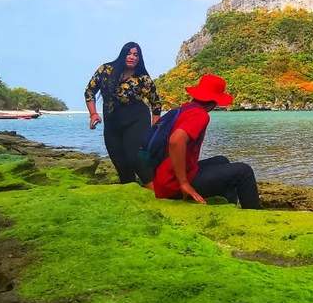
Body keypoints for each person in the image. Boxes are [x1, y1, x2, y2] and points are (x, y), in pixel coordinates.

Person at [153, 73, 260, 209]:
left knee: (221, 160)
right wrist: (184, 183)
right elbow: (176, 141)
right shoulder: (200, 115)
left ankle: (229, 205)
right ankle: (254, 212)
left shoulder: (185, 109)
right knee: (244, 171)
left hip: (164, 176)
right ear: (214, 102)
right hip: (173, 185)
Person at [85, 42, 162, 184]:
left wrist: (154, 128)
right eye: (129, 53)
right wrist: (93, 114)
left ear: (139, 58)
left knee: (135, 159)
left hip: (137, 120)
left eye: (136, 55)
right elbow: (89, 91)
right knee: (120, 164)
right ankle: (130, 189)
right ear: (122, 54)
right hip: (112, 123)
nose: (132, 57)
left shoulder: (142, 78)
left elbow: (156, 103)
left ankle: (157, 191)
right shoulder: (105, 70)